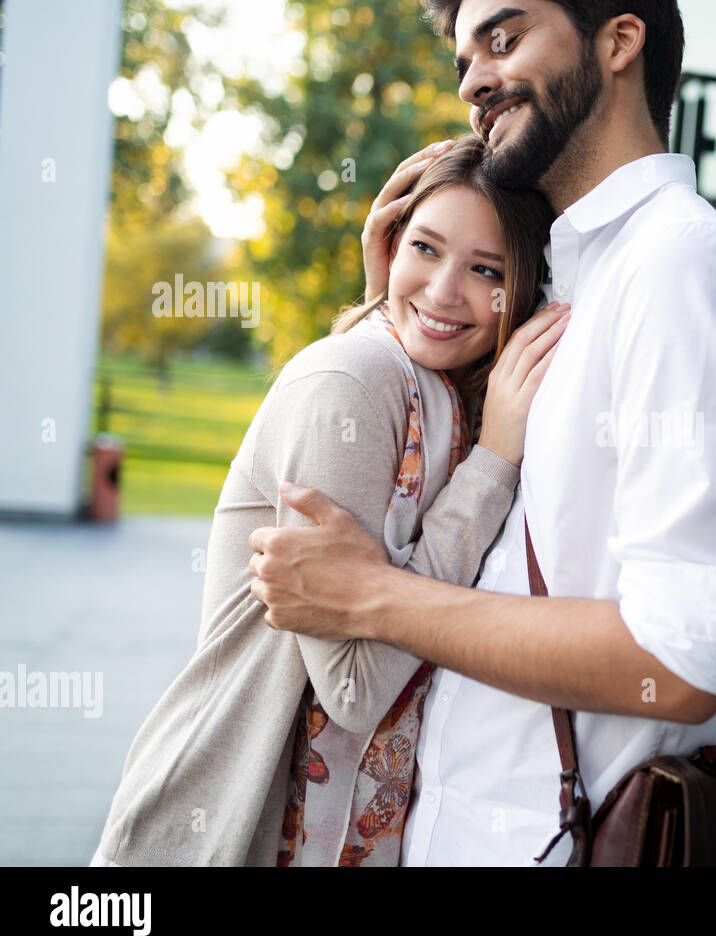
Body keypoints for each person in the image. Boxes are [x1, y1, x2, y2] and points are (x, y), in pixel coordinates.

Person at [248, 0, 716, 866]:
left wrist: (373, 596)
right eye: (464, 55)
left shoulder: (682, 271)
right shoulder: (567, 269)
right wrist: (385, 305)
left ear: (619, 41)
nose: (471, 79)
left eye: (503, 39)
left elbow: (682, 662)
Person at [93, 135, 563, 865]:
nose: (442, 291)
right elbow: (353, 688)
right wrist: (495, 462)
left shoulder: (446, 398)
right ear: (393, 243)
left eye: (485, 270)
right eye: (426, 249)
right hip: (225, 825)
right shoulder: (352, 381)